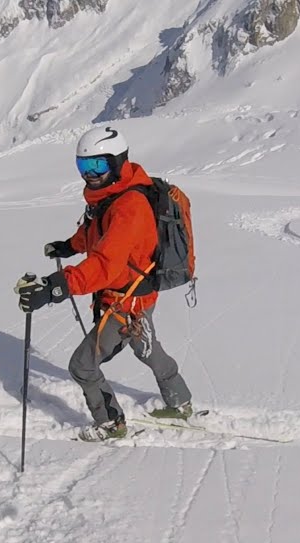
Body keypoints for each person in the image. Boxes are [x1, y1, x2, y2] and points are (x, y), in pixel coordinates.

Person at [15, 126, 193, 441]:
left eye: (98, 165)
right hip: (136, 294)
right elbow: (97, 234)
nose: (90, 174)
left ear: (118, 161)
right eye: (84, 166)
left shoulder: (129, 206)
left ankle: (111, 423)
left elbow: (105, 265)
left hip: (126, 299)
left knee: (82, 366)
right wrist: (69, 246)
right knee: (147, 349)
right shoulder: (111, 197)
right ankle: (180, 401)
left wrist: (54, 287)